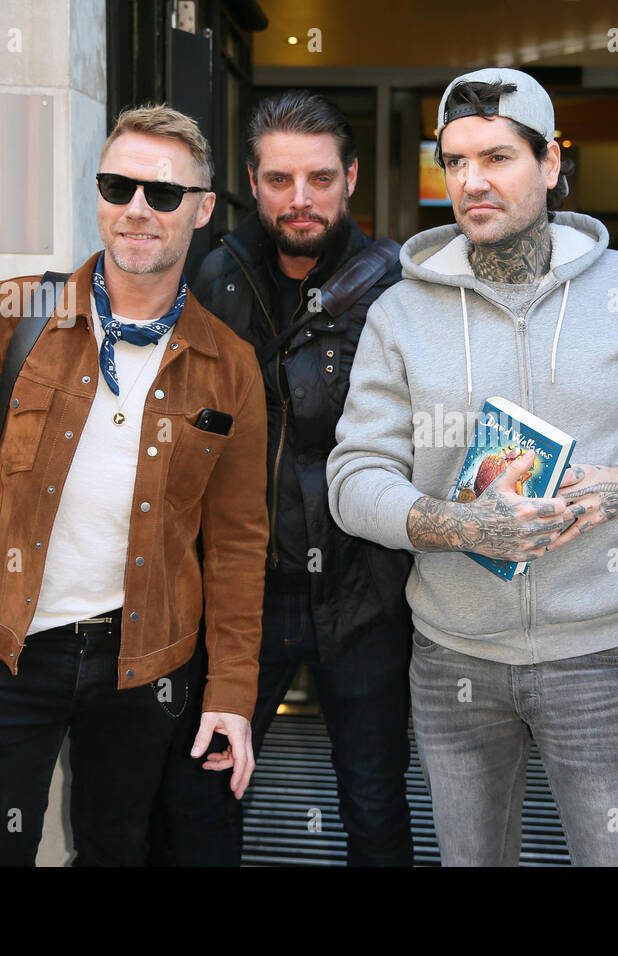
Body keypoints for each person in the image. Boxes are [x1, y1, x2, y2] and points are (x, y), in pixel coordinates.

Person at [0, 105, 268, 866]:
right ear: (98, 196)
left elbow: (240, 545)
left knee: (117, 850)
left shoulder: (230, 363)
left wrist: (231, 693)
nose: (137, 210)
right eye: (118, 186)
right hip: (2, 647)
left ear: (205, 208)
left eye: (163, 193)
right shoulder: (11, 314)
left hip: (144, 660)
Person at [327, 68, 618, 866]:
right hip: (453, 654)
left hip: (598, 653)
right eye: (454, 161)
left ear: (551, 162)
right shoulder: (399, 312)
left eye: (496, 157)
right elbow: (354, 478)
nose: (471, 181)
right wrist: (459, 526)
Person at [149, 90, 414, 867]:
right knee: (201, 795)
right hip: (240, 595)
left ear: (351, 177)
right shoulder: (209, 280)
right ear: (251, 182)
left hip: (365, 593)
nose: (300, 200)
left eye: (320, 179)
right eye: (278, 180)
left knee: (373, 800)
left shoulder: (398, 287)